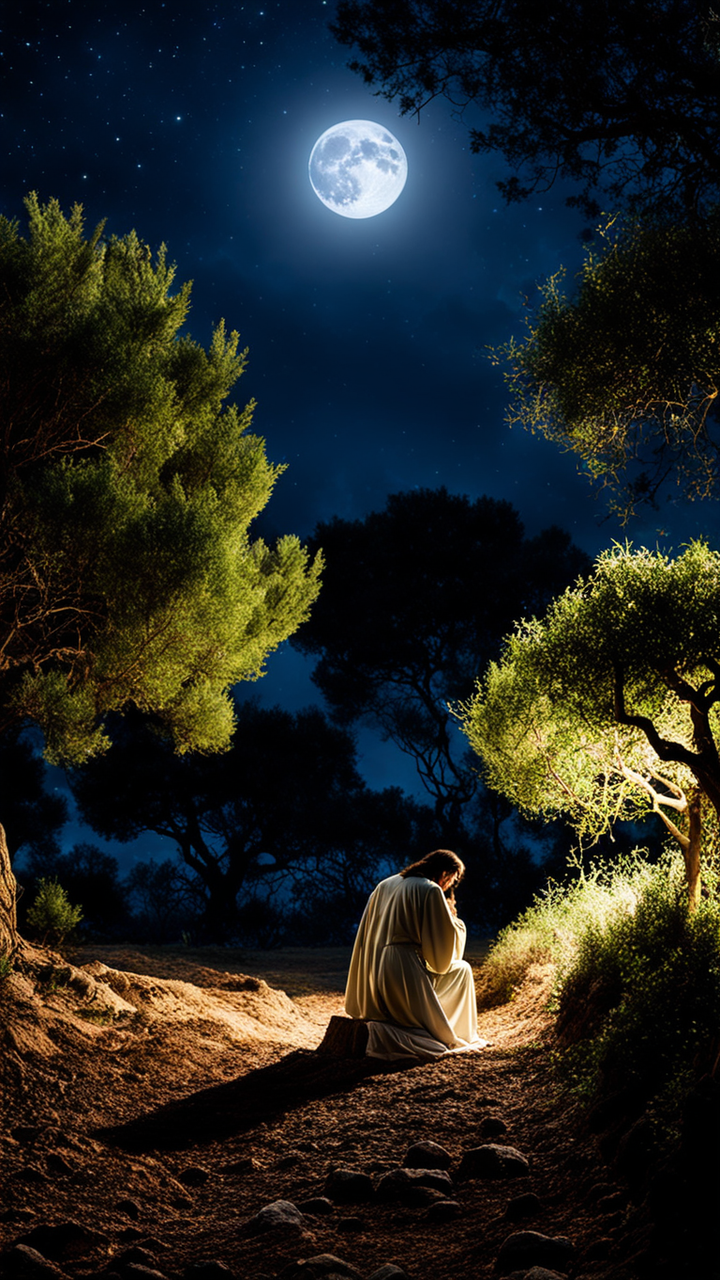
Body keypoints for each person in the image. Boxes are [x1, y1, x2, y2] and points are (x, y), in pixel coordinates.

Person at [345, 849, 487, 1060]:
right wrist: (455, 922)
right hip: (403, 970)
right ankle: (457, 1033)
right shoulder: (430, 890)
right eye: (453, 880)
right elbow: (440, 959)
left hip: (374, 969)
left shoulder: (385, 884)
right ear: (445, 873)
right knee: (463, 969)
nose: (450, 886)